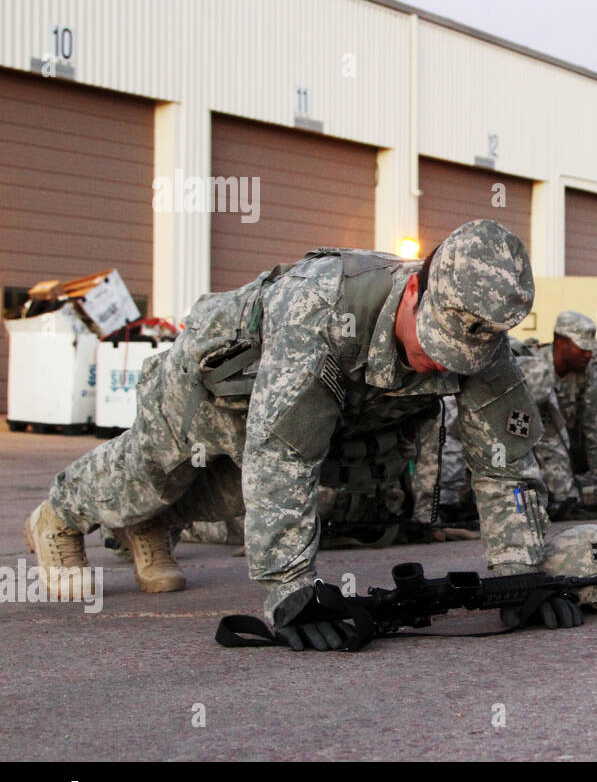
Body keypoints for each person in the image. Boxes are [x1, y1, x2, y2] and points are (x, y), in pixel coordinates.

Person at [24, 220, 554, 642]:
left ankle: (150, 526)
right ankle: (59, 517)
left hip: (317, 406)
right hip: (209, 388)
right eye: (434, 345)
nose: (443, 365)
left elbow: (506, 466)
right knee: (149, 474)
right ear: (414, 287)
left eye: (459, 357)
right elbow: (282, 458)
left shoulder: (482, 345)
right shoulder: (321, 307)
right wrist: (290, 587)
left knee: (230, 492)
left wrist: (518, 570)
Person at [512, 311, 597, 518]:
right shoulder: (534, 371)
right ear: (561, 342)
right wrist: (566, 497)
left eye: (590, 349)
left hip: (559, 453)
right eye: (582, 348)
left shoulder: (587, 374)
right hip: (521, 448)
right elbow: (546, 437)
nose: (588, 354)